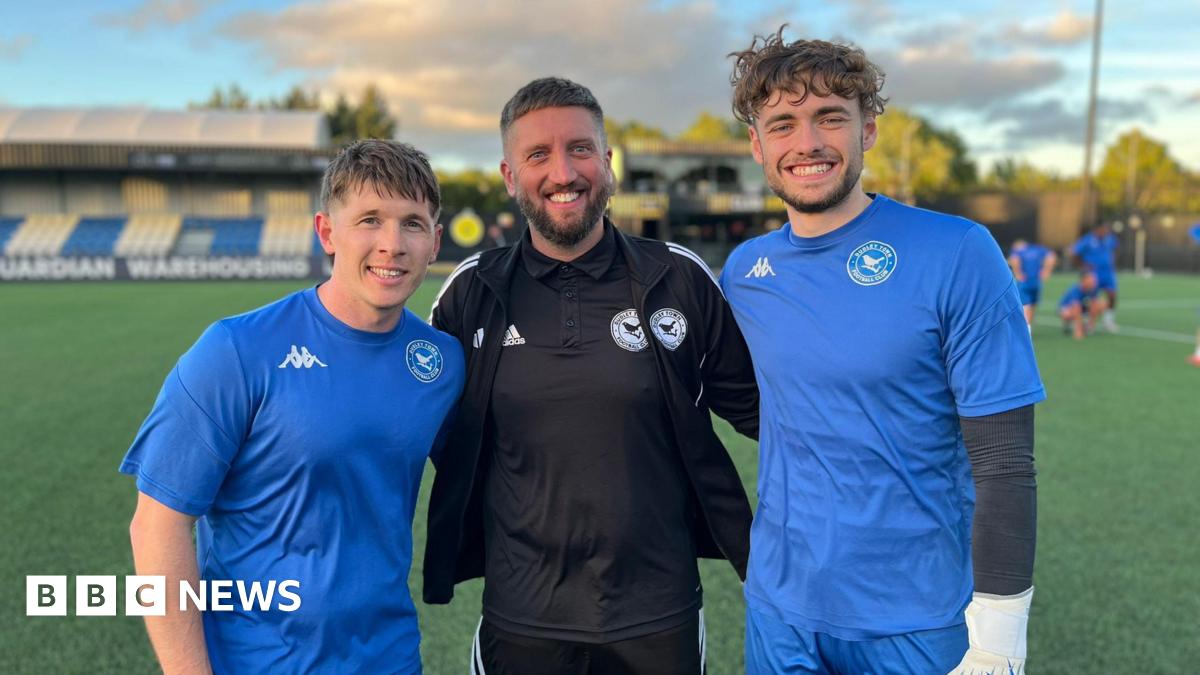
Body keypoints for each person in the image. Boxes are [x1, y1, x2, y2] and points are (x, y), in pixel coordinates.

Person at [719, 29, 1046, 674]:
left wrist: (1002, 634)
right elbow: (770, 405)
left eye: (830, 117)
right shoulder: (744, 270)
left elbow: (1005, 458)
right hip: (781, 608)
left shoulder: (957, 251)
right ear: (758, 145)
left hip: (918, 615)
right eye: (782, 124)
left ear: (867, 128)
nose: (807, 143)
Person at [424, 77, 758, 674]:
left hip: (659, 613)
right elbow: (420, 431)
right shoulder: (468, 294)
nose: (563, 172)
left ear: (607, 165)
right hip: (520, 614)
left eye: (580, 149)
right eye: (537, 155)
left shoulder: (678, 279)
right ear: (508, 176)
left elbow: (765, 412)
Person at [120, 140, 464, 674]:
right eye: (370, 220)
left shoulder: (440, 363)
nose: (392, 244)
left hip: (391, 658)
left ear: (435, 239)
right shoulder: (236, 350)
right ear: (327, 232)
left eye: (413, 224)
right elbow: (157, 526)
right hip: (256, 662)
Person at [1071, 222, 1119, 332]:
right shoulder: (1087, 240)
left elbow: (1115, 248)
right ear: (1097, 230)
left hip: (1108, 272)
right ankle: (1089, 323)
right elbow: (1074, 253)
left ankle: (1108, 320)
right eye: (1103, 230)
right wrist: (1083, 265)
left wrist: (1111, 261)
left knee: (1112, 294)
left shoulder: (1110, 239)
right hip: (1094, 273)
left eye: (1106, 230)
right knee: (1093, 299)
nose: (1105, 232)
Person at [1008, 238, 1058, 329]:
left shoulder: (1018, 251)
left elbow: (1014, 260)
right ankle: (1028, 327)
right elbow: (1052, 256)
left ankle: (1026, 330)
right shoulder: (1038, 249)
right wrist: (1047, 270)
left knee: (1026, 305)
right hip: (1037, 282)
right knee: (1032, 305)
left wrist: (1018, 273)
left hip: (1024, 281)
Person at [1058, 270, 1106, 340]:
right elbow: (1075, 306)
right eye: (1092, 279)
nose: (1094, 281)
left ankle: (1090, 327)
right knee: (1072, 310)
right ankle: (1074, 327)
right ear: (1084, 280)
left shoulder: (1094, 288)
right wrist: (1078, 330)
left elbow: (1094, 302)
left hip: (1082, 307)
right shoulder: (1075, 290)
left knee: (1101, 303)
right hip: (1068, 309)